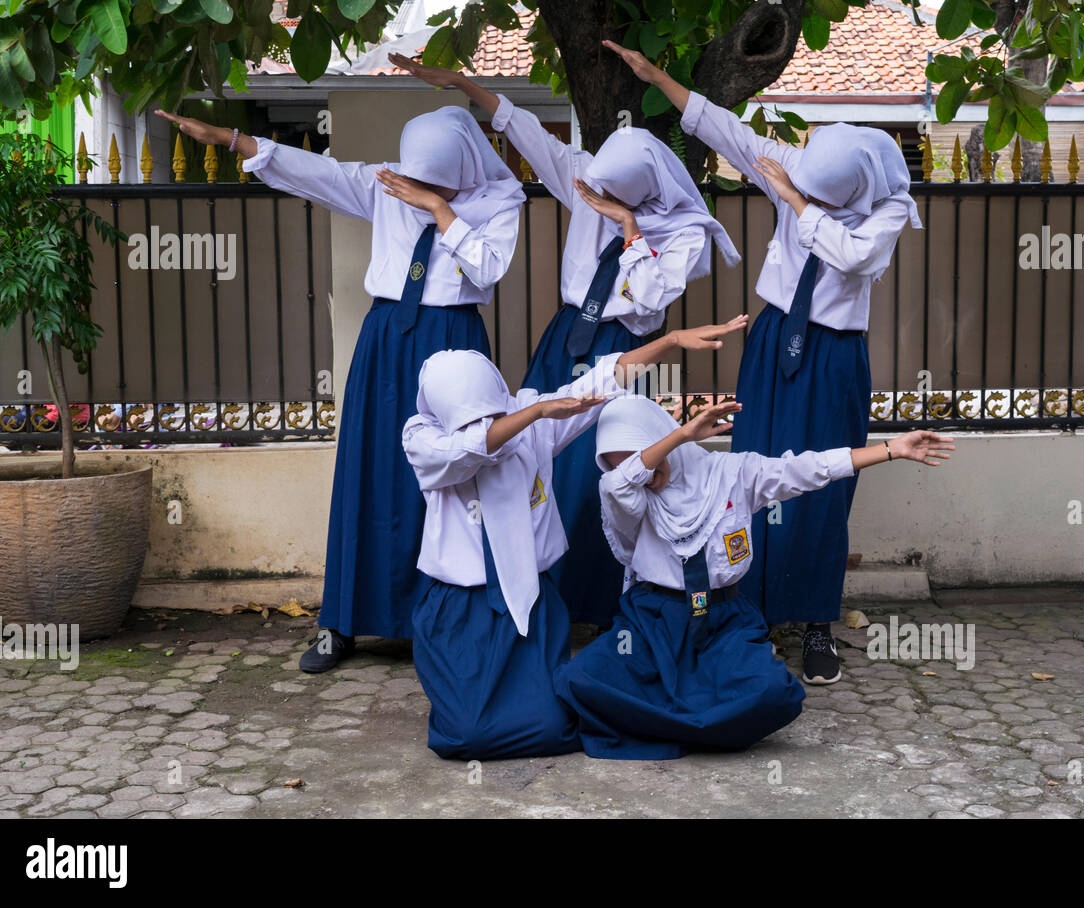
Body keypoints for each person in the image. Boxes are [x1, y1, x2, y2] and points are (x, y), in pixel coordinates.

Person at [154, 105, 525, 673]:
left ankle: (449, 619)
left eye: (433, 180)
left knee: (460, 477)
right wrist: (231, 139)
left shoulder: (500, 202)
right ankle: (343, 622)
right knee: (369, 475)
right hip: (387, 343)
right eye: (415, 177)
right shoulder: (386, 184)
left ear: (462, 166)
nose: (417, 186)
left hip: (455, 342)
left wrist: (440, 210)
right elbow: (314, 173)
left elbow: (488, 269)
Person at [604, 40, 924, 685]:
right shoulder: (794, 166)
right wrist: (658, 74)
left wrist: (799, 205)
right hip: (773, 336)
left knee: (823, 484)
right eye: (802, 189)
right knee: (752, 469)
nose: (802, 195)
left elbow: (855, 259)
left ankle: (814, 624)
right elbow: (724, 126)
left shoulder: (887, 207)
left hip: (832, 352)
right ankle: (746, 610)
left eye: (822, 197)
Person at [387, 51, 740, 630]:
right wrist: (464, 83)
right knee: (543, 467)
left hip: (627, 350)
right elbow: (524, 130)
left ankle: (606, 607)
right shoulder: (586, 182)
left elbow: (650, 298)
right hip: (565, 338)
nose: (595, 198)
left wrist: (629, 229)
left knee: (607, 473)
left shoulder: (685, 233)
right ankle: (547, 596)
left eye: (613, 196)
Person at [402, 316, 749, 760]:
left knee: (553, 729)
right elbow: (470, 449)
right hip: (458, 609)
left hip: (530, 601)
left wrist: (672, 340)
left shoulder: (532, 418)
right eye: (470, 419)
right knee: (467, 737)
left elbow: (606, 377)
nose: (482, 424)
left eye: (489, 413)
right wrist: (535, 413)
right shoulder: (423, 437)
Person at [555, 395, 953, 760]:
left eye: (638, 455)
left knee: (771, 693)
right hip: (651, 619)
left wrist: (890, 449)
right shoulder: (623, 494)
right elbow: (621, 482)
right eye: (618, 461)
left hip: (723, 618)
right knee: (580, 679)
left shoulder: (731, 473)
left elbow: (805, 469)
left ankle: (661, 722)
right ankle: (698, 725)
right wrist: (676, 438)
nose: (637, 471)